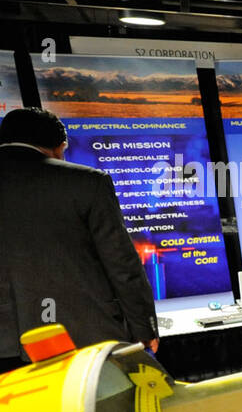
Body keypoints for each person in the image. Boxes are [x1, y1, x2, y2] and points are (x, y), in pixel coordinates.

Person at [0, 108, 157, 374]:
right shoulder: (87, 182)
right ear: (59, 147)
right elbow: (121, 263)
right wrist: (144, 327)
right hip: (83, 338)